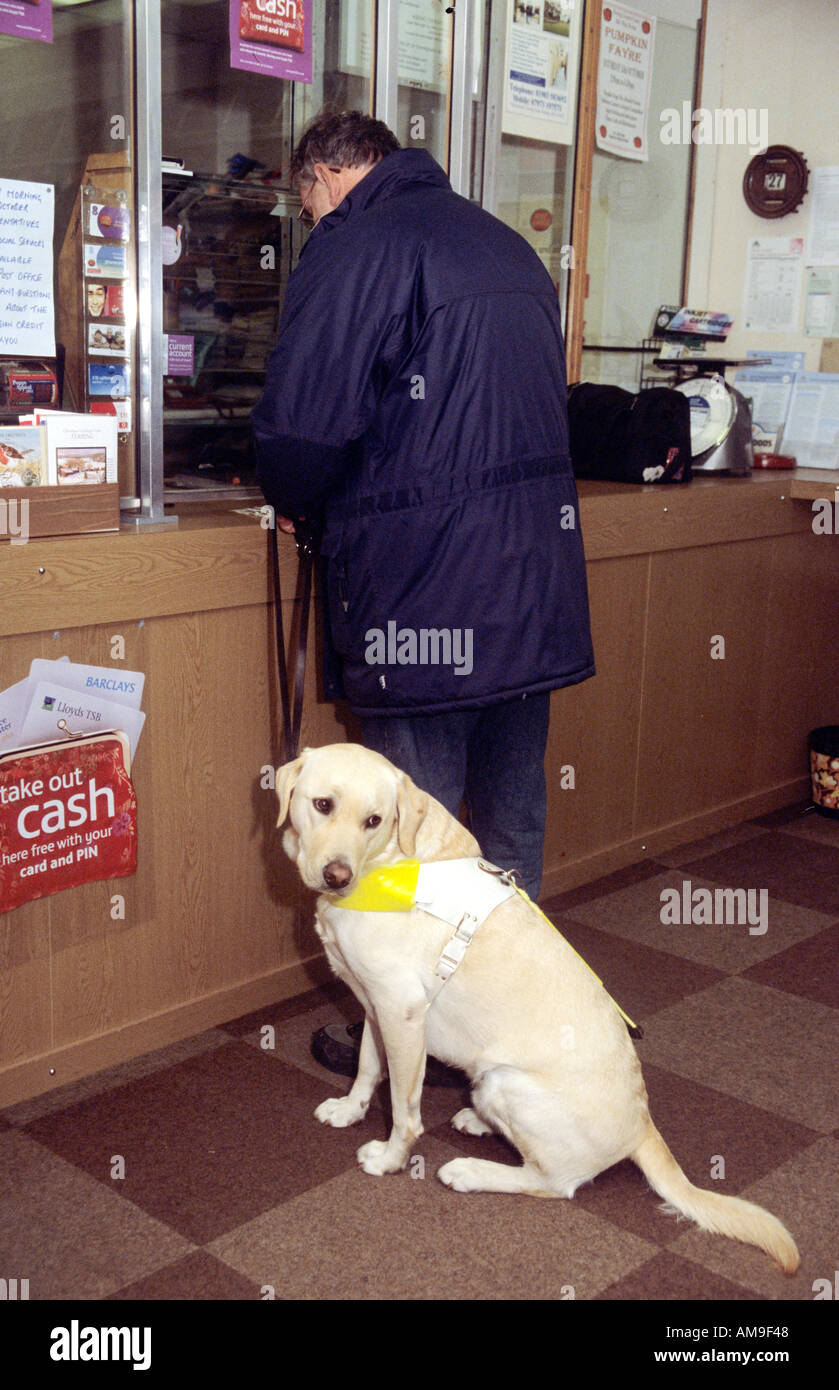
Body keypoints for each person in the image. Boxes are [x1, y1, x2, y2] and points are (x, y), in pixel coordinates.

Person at [252, 109, 594, 1080]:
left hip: (423, 591)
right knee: (507, 817)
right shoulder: (505, 244)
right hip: (530, 586)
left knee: (401, 825)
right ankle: (507, 1022)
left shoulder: (359, 244)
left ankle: (399, 1031)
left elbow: (301, 431)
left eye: (306, 196)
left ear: (329, 174)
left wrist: (292, 499)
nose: (310, 214)